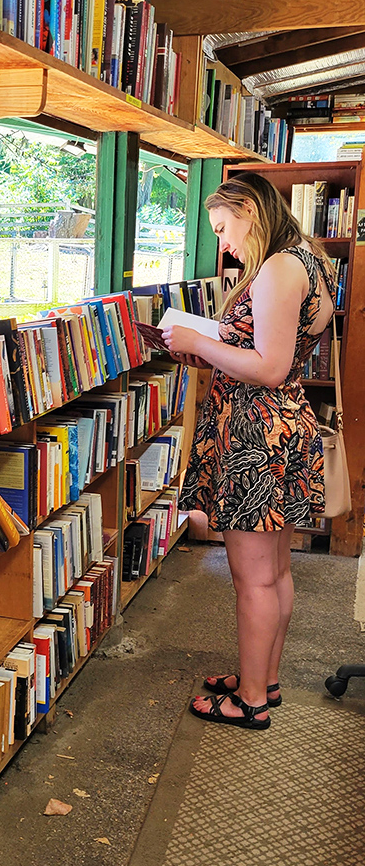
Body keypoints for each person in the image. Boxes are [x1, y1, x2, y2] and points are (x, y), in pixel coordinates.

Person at [162, 172, 336, 731]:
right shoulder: (305, 259)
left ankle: (252, 700)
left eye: (223, 227)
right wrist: (213, 349)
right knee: (276, 571)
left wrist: (198, 343)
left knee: (253, 579)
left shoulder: (279, 269)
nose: (223, 243)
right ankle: (263, 677)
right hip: (278, 430)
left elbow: (269, 367)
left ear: (249, 211)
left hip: (256, 441)